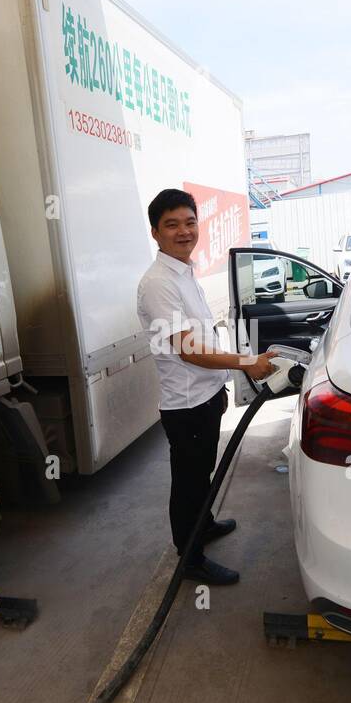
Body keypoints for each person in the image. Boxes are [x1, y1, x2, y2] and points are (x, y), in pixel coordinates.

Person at [136, 188, 277, 586]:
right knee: (189, 480)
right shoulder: (159, 283)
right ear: (155, 232)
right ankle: (191, 556)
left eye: (190, 222)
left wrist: (222, 385)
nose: (184, 231)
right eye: (172, 225)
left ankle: (206, 523)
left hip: (205, 395)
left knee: (203, 472)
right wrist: (248, 362)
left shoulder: (184, 273)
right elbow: (189, 350)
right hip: (186, 405)